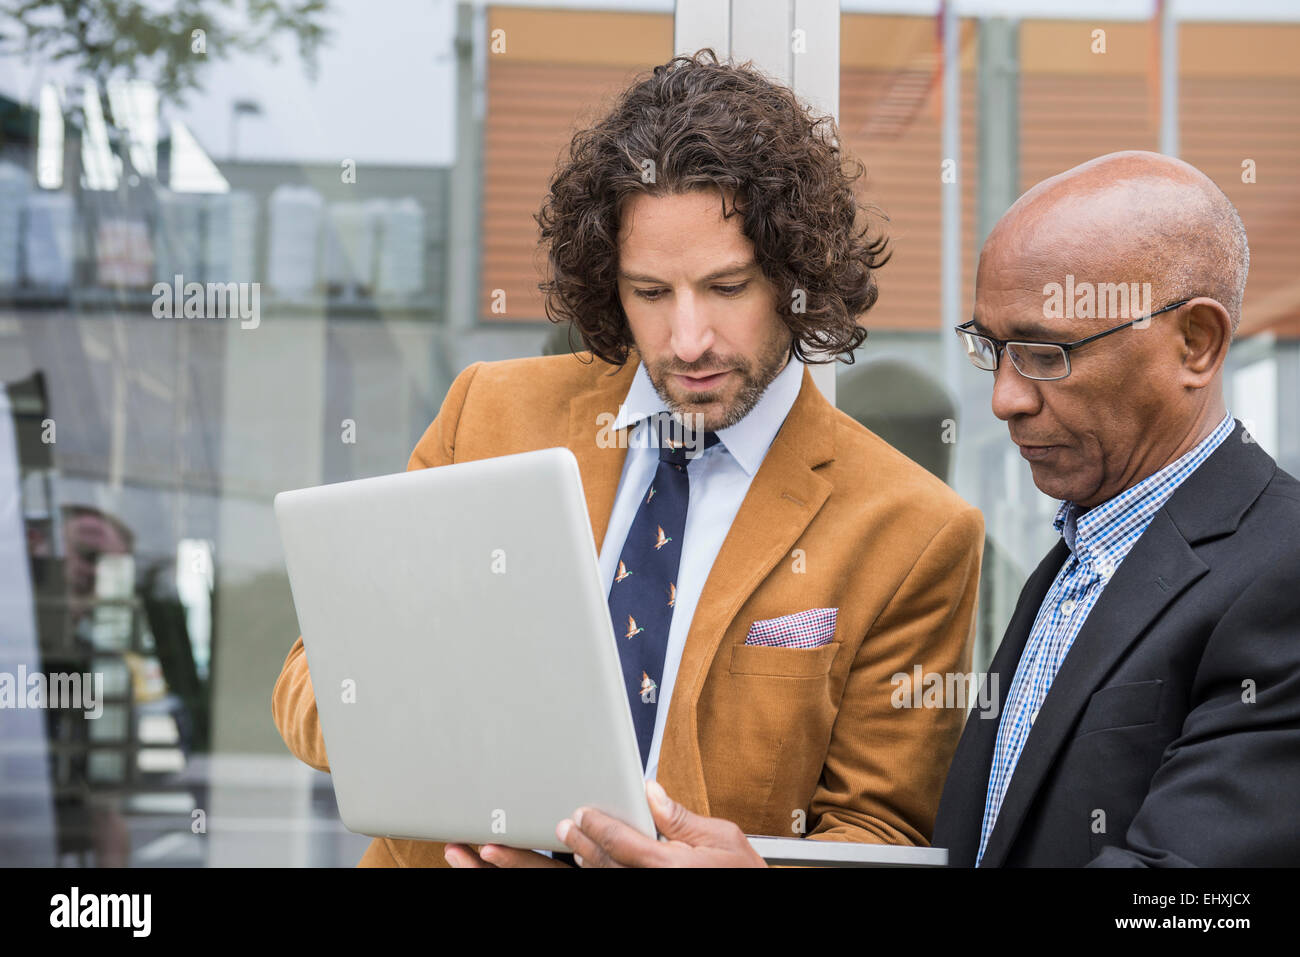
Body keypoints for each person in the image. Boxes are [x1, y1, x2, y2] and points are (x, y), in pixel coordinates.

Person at [272, 49, 984, 868]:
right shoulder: (490, 413)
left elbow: (885, 840)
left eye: (727, 288)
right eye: (650, 293)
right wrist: (468, 762)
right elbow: (312, 683)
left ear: (796, 276)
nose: (689, 342)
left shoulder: (916, 533)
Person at [934, 150, 1300, 867]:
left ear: (1196, 343)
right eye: (993, 347)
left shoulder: (1282, 572)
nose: (1005, 398)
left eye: (1046, 353)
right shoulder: (1080, 552)